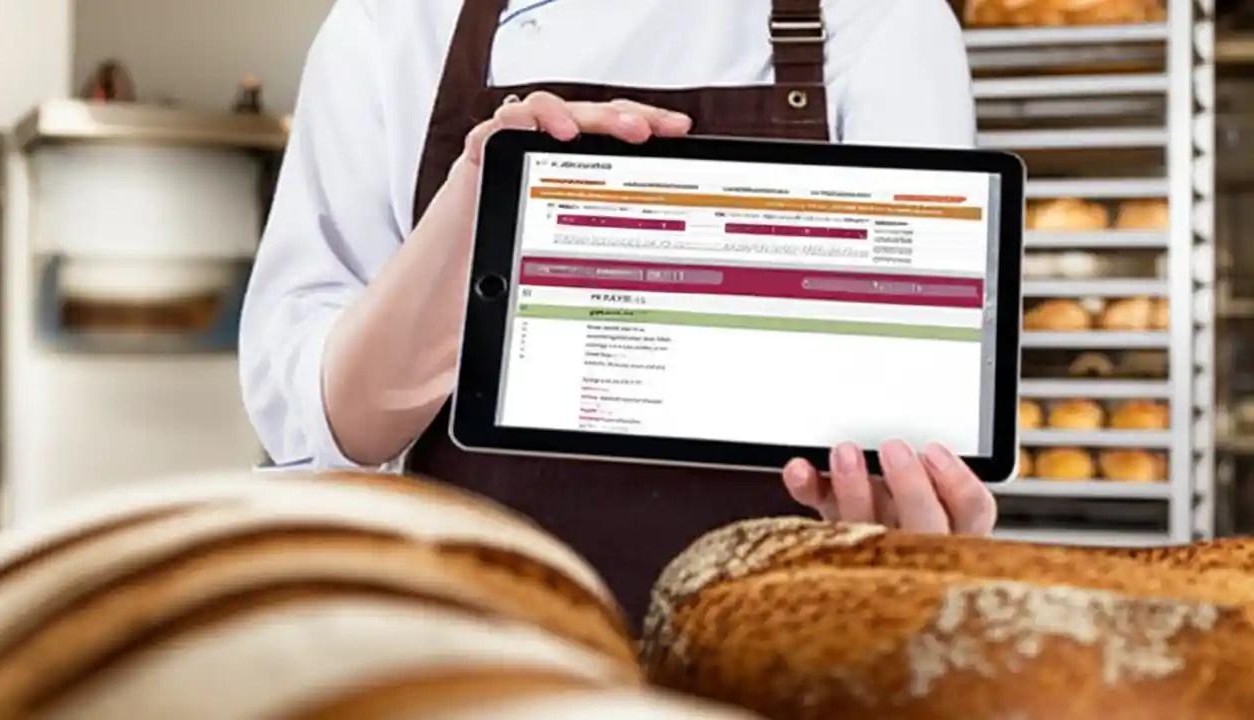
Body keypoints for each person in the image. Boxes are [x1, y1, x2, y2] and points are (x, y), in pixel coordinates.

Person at [239, 0, 999, 623]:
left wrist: (905, 523)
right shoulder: (394, 25)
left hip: (781, 641)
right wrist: (469, 214)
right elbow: (331, 431)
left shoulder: (881, 18)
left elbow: (910, 387)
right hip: (470, 642)